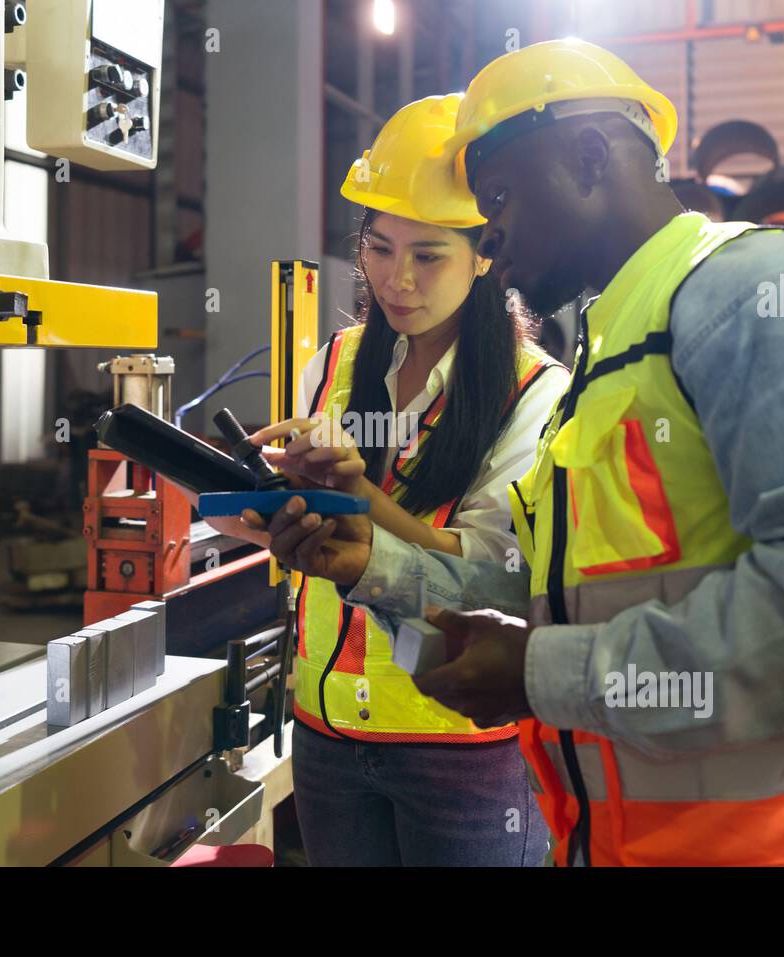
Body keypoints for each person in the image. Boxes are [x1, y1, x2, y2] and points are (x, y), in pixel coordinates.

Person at [243, 39, 784, 867]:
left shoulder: (755, 293)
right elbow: (552, 595)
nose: (492, 233)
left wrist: (545, 673)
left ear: (590, 156)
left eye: (499, 197)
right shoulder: (611, 354)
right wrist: (371, 561)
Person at [203, 94, 569, 866]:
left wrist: (362, 502)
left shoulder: (534, 392)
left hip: (461, 746)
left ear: (485, 253)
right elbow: (309, 535)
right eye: (378, 247)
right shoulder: (333, 363)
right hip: (328, 733)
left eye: (428, 255)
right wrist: (261, 513)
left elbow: (490, 571)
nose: (396, 279)